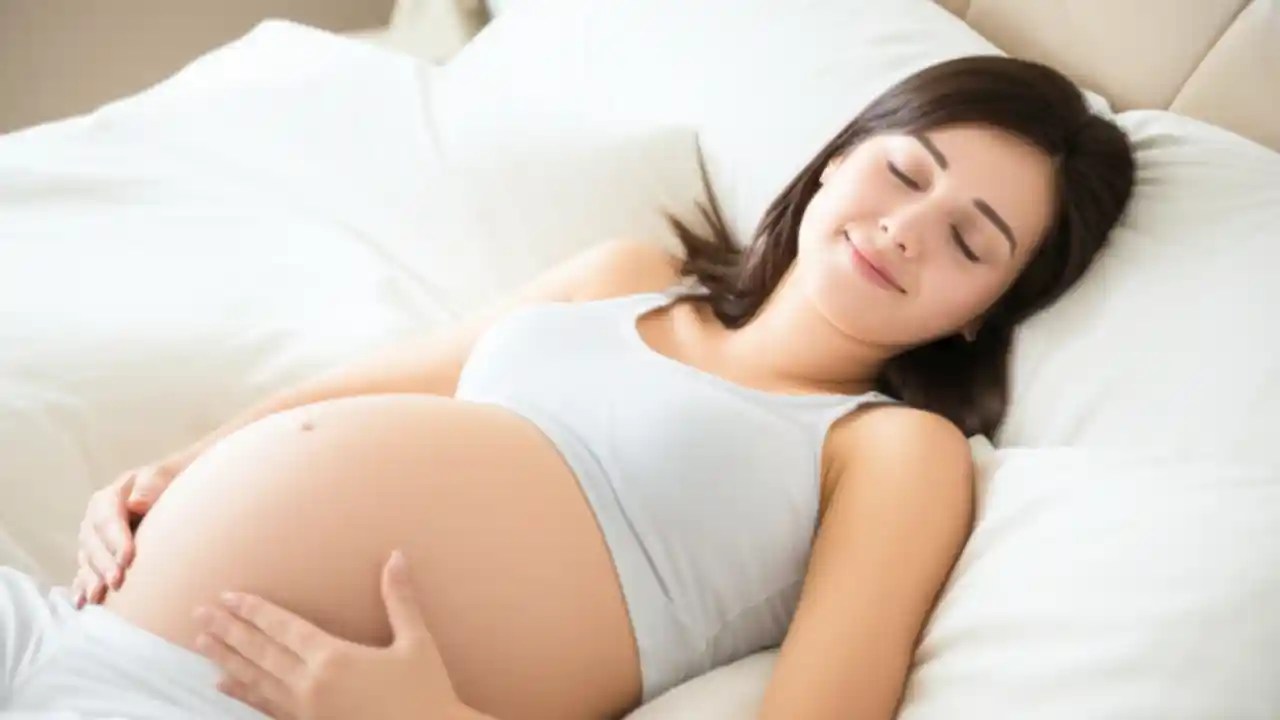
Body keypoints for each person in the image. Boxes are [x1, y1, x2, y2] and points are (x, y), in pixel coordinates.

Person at [2, 55, 1134, 720]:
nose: (902, 228)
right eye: (902, 170)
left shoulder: (888, 450)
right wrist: (176, 474)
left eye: (969, 241)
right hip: (64, 617)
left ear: (981, 311)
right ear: (837, 157)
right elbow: (360, 391)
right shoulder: (624, 278)